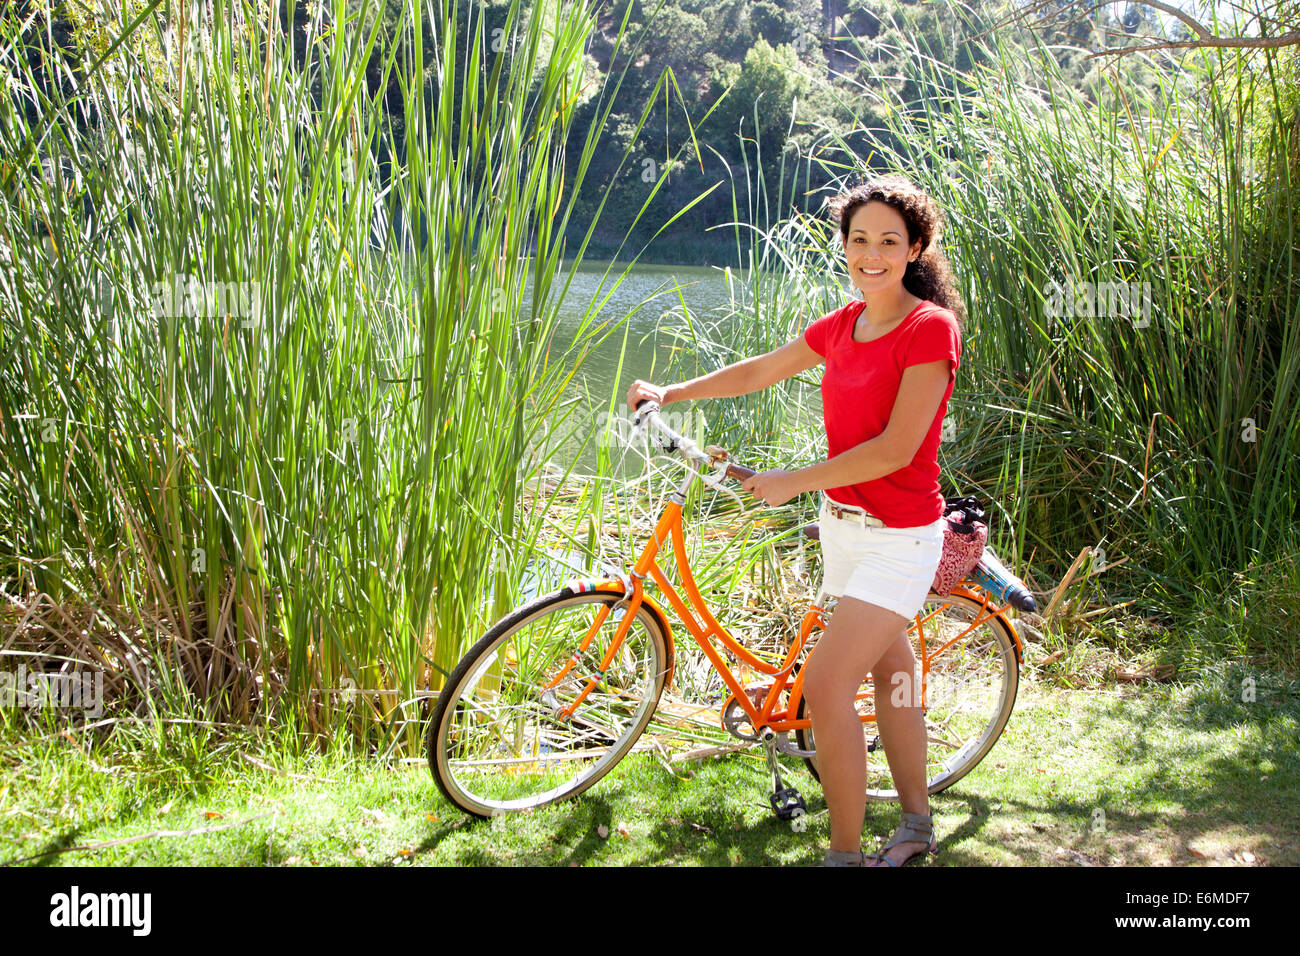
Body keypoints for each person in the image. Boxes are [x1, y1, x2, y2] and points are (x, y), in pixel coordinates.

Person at [626, 174, 965, 867]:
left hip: (900, 537)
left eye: (888, 242)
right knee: (893, 671)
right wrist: (674, 391)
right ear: (844, 245)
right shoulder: (845, 323)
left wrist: (790, 483)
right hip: (844, 529)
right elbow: (760, 372)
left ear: (915, 248)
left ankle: (844, 857)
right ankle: (917, 825)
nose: (871, 253)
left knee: (826, 684)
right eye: (859, 239)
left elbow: (896, 448)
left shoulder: (929, 330)